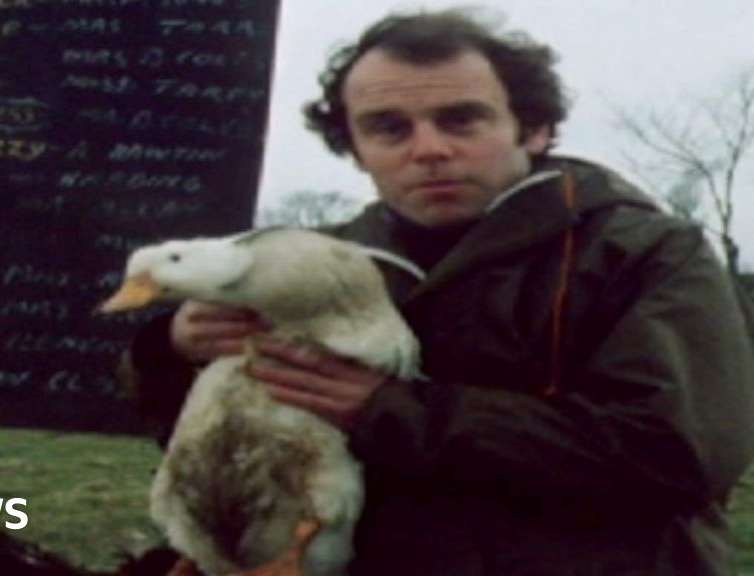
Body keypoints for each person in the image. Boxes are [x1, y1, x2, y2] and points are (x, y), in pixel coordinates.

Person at [123, 9, 754, 575]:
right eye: (389, 128)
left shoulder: (647, 253)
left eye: (461, 119)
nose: (429, 149)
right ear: (357, 147)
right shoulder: (309, 264)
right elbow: (216, 430)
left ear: (532, 128)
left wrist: (391, 413)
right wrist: (171, 351)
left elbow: (679, 457)